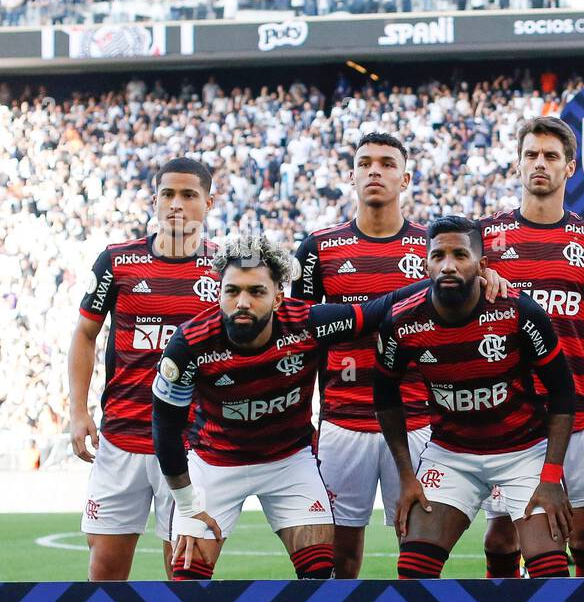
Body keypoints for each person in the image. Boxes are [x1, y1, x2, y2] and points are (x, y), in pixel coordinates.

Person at [151, 237, 421, 580]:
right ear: (218, 293)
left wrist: (455, 277)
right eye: (232, 291)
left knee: (321, 573)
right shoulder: (189, 343)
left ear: (279, 296)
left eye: (257, 292)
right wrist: (189, 506)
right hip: (214, 463)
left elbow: (380, 310)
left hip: (288, 463)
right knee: (187, 574)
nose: (243, 302)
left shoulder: (307, 323)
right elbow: (164, 426)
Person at [373, 216, 575, 579]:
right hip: (451, 455)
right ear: (425, 263)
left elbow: (562, 393)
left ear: (482, 265)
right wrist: (406, 476)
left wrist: (550, 477)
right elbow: (385, 397)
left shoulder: (519, 311)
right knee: (413, 569)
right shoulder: (402, 322)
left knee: (551, 574)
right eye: (438, 255)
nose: (448, 265)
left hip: (523, 453)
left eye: (460, 255)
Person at [69, 157, 219, 581]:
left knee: (187, 577)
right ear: (154, 200)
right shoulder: (117, 262)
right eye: (168, 194)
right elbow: (84, 334)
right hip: (121, 441)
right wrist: (78, 411)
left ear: (208, 202)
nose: (177, 204)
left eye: (189, 195)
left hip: (192, 444)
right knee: (104, 577)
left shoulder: (226, 269)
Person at [476, 117, 584, 578]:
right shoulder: (484, 238)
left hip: (579, 406)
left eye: (551, 156)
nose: (540, 163)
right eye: (531, 155)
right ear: (517, 165)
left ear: (570, 167)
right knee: (502, 535)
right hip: (512, 413)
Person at [294, 132, 432, 578]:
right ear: (351, 176)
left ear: (405, 177)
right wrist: (305, 421)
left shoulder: (432, 248)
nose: (376, 171)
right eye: (366, 163)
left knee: (417, 551)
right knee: (341, 556)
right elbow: (302, 338)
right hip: (342, 425)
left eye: (387, 163)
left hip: (416, 423)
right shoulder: (318, 248)